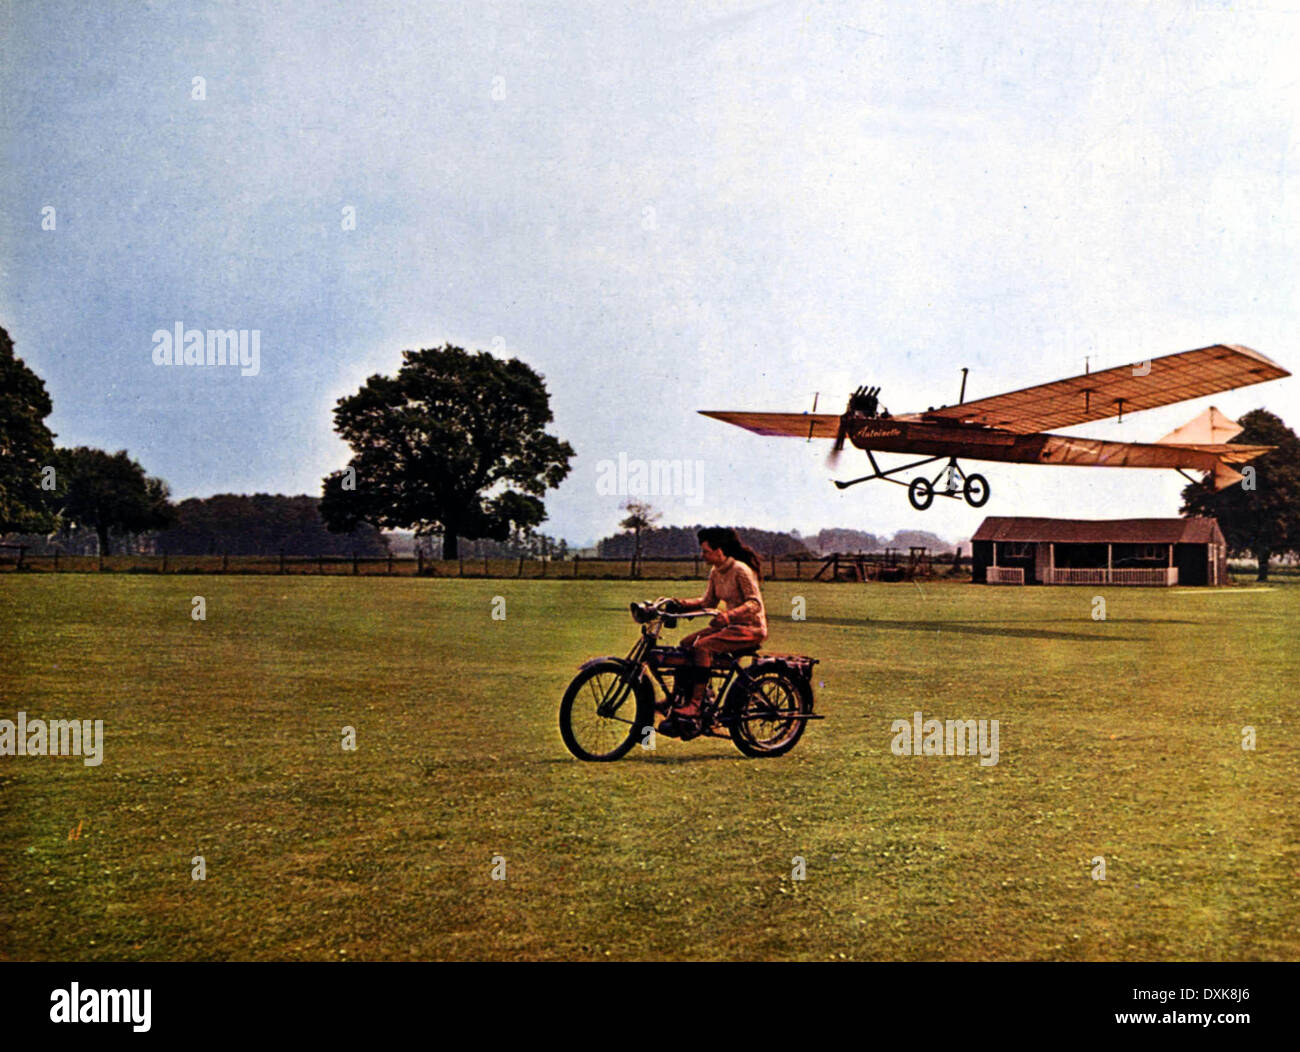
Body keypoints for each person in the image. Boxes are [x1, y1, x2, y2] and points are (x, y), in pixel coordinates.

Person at [657, 527, 768, 739]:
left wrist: (728, 616)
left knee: (702, 646)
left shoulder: (740, 570)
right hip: (731, 627)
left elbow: (754, 603)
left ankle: (695, 705)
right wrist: (679, 604)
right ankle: (679, 697)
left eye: (706, 551)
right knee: (686, 643)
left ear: (720, 551)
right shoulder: (716, 571)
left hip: (750, 628)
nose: (703, 555)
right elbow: (708, 602)